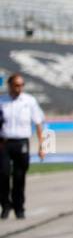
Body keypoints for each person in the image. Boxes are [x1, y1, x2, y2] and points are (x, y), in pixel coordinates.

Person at [0, 73, 46, 220]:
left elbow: (39, 123)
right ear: (10, 85)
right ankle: (6, 205)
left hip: (22, 143)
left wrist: (43, 146)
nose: (19, 88)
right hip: (4, 143)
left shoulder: (29, 101)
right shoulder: (2, 101)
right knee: (3, 175)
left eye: (22, 85)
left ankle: (19, 208)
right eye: (16, 85)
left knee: (19, 177)